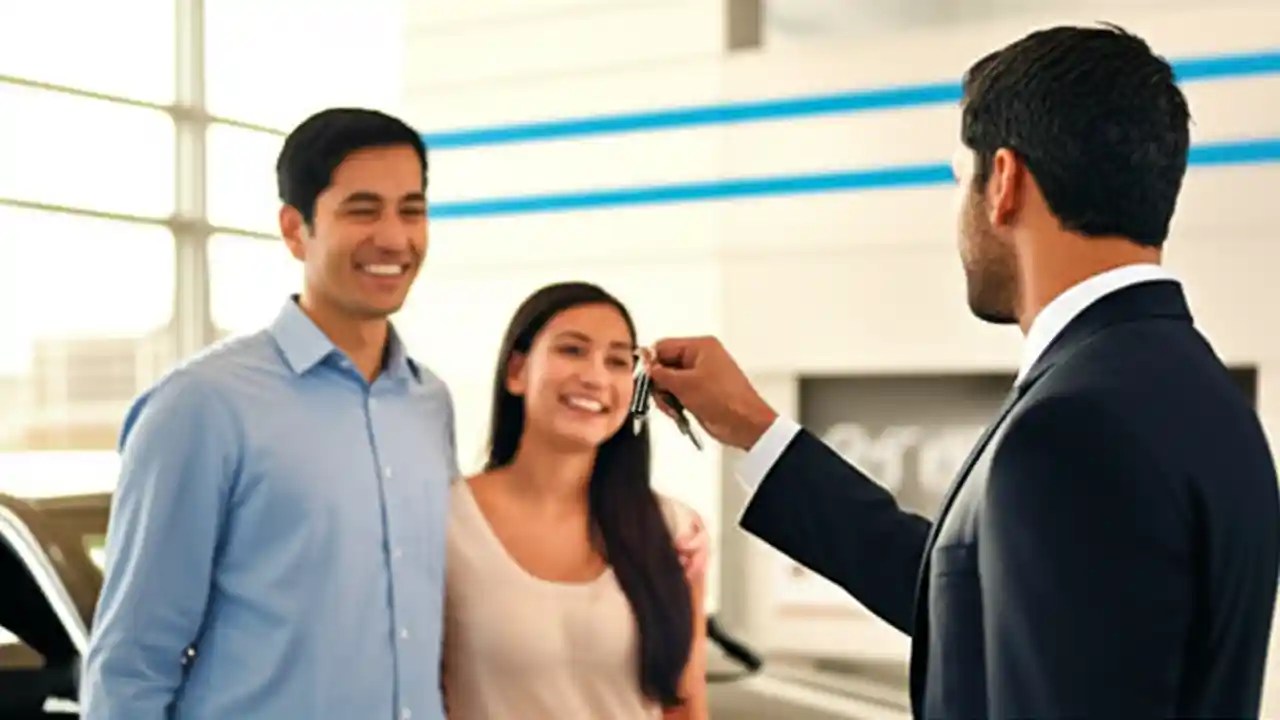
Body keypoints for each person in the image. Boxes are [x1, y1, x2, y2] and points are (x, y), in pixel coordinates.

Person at [647, 24, 1280, 719]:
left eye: (958, 178)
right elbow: (971, 600)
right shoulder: (1201, 403)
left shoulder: (1074, 428)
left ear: (1002, 181)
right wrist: (755, 430)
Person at [78, 107, 710, 719]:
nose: (393, 237)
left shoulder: (427, 405)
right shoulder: (203, 405)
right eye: (362, 210)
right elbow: (130, 665)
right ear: (295, 229)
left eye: (412, 210)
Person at [442, 281, 709, 720]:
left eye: (618, 361)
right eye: (572, 350)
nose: (596, 376)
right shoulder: (444, 520)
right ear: (516, 371)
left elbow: (683, 703)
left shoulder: (677, 532)